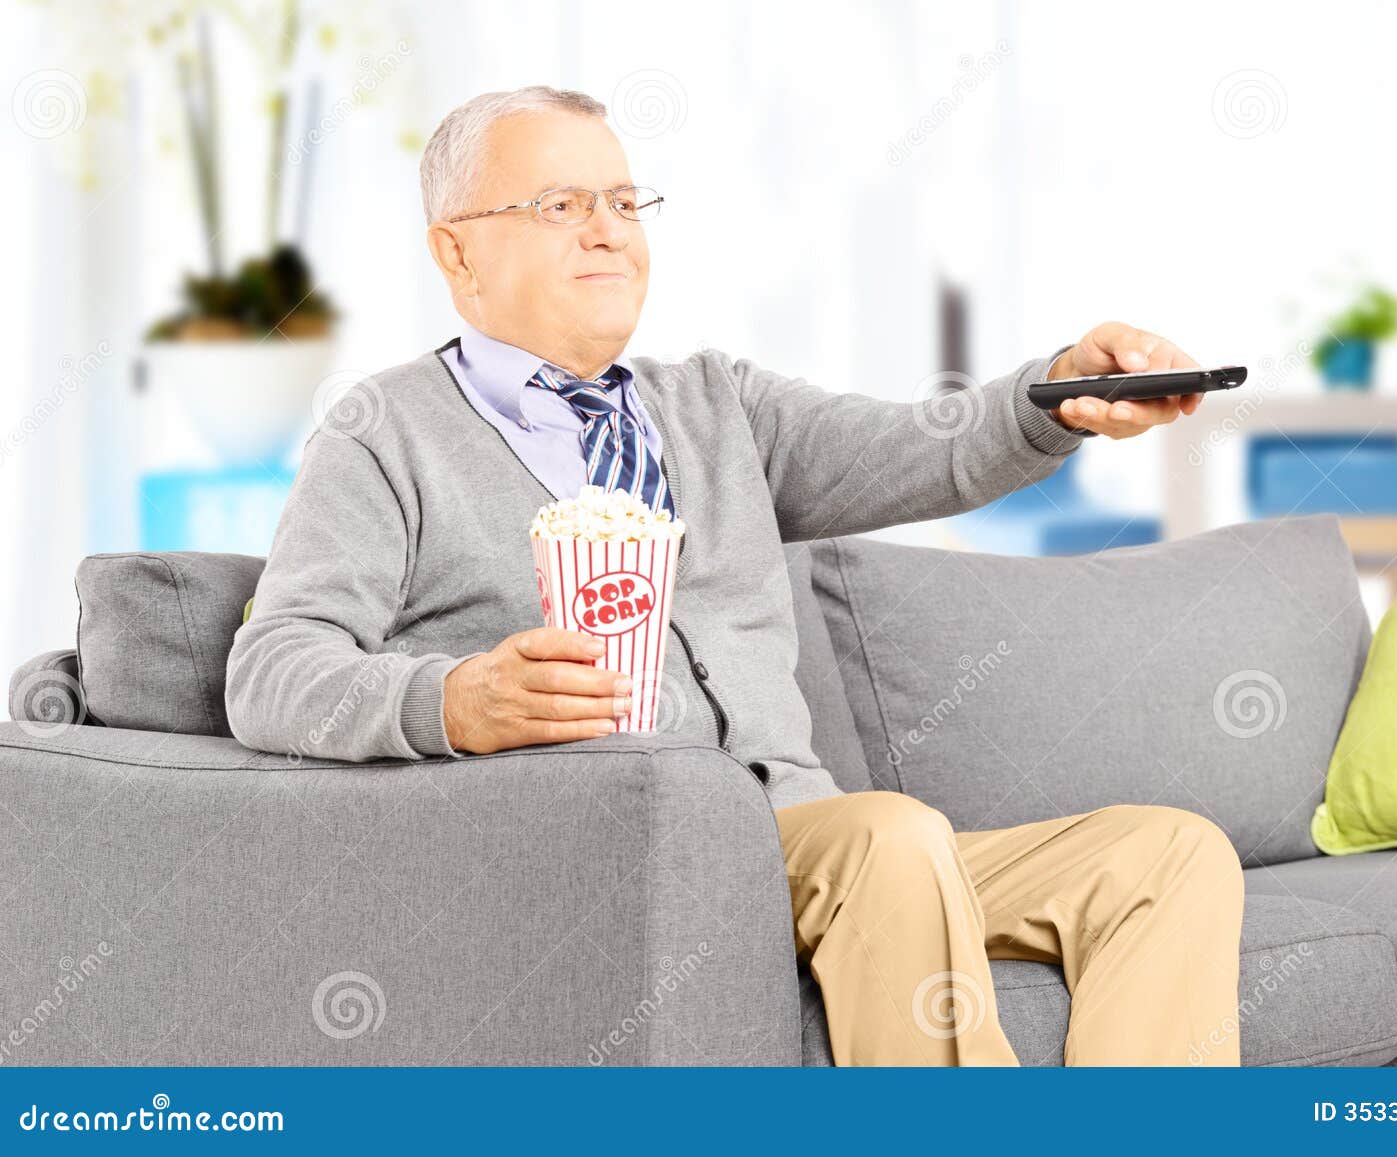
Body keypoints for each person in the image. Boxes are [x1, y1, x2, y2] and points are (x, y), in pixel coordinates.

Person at [226, 85, 1244, 1066]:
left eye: (624, 201)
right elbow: (272, 669)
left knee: (1166, 854)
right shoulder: (386, 431)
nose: (607, 231)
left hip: (806, 839)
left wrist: (1059, 389)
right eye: (561, 205)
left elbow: (927, 448)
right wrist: (457, 697)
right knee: (889, 836)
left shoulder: (717, 406)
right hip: (621, 852)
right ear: (456, 249)